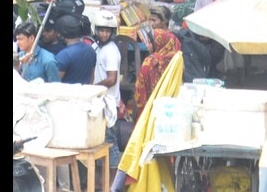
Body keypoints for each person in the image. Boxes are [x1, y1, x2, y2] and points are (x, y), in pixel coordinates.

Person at [130, 20, 180, 119]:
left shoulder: (150, 62)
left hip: (149, 109)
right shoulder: (175, 61)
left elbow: (139, 89)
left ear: (158, 43)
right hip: (169, 110)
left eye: (150, 42)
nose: (147, 45)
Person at [91, 11, 123, 139]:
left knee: (109, 142)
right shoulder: (96, 47)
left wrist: (93, 88)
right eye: (102, 31)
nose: (104, 34)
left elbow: (112, 79)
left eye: (108, 31)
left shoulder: (110, 51)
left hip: (108, 103)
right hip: (100, 101)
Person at [53, 15, 97, 84]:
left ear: (61, 34)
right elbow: (92, 78)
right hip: (86, 93)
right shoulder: (90, 49)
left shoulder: (64, 55)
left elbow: (55, 84)